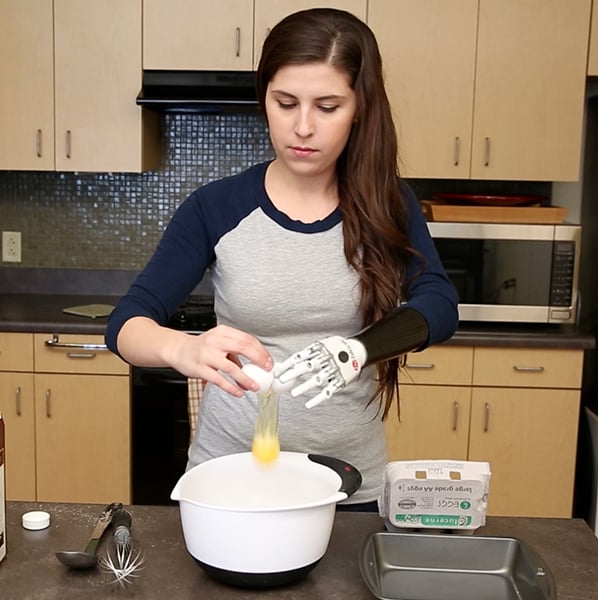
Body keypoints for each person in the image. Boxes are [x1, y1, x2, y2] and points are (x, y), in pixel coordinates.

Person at [105, 8, 459, 510]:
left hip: (348, 486)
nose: (303, 126)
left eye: (328, 106)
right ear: (264, 99)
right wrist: (180, 349)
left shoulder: (388, 204)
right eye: (285, 102)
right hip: (230, 481)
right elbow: (125, 323)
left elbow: (440, 304)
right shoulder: (217, 207)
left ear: (360, 107)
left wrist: (362, 349)